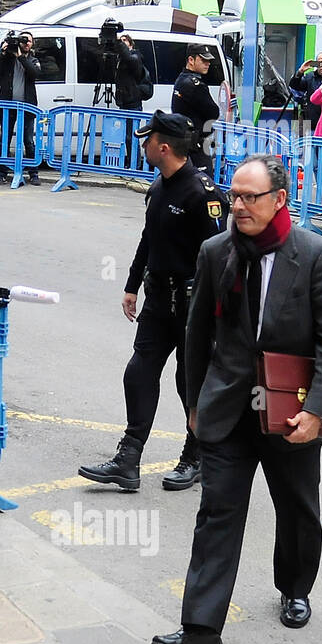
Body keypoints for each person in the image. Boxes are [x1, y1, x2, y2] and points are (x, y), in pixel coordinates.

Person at [152, 154, 322, 644]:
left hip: (290, 409)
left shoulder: (317, 257)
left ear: (279, 199)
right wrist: (194, 403)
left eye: (248, 197)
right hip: (227, 408)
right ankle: (201, 628)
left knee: (297, 508)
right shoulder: (215, 251)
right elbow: (196, 334)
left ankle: (295, 587)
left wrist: (319, 409)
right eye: (233, 195)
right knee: (217, 512)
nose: (236, 205)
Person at [79, 112, 227, 492]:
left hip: (194, 301)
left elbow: (221, 257)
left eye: (147, 140)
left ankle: (195, 456)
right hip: (159, 296)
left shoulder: (203, 194)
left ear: (163, 147)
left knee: (188, 381)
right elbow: (150, 239)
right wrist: (131, 285)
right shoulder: (159, 187)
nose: (142, 145)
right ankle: (129, 459)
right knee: (139, 371)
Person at [0, 31, 42, 185]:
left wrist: (20, 57)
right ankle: (1, 173)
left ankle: (33, 174)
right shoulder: (6, 60)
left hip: (27, 107)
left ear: (32, 44)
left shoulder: (33, 60)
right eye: (23, 40)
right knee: (5, 140)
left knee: (28, 140)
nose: (26, 43)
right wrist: (1, 54)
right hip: (8, 107)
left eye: (28, 40)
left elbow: (34, 73)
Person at [171, 43, 220, 177]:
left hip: (181, 141)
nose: (208, 64)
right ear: (191, 60)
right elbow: (214, 112)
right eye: (203, 60)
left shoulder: (181, 79)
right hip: (195, 144)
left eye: (209, 61)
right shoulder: (195, 85)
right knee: (204, 183)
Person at [288, 51, 322, 130]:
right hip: (312, 122)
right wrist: (300, 72)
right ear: (315, 64)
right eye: (319, 63)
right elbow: (294, 86)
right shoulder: (310, 76)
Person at [114, 33, 153, 113]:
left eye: (124, 40)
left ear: (131, 45)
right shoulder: (121, 59)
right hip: (124, 102)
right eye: (121, 40)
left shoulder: (136, 56)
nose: (122, 42)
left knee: (131, 125)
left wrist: (119, 42)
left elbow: (129, 59)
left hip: (133, 103)